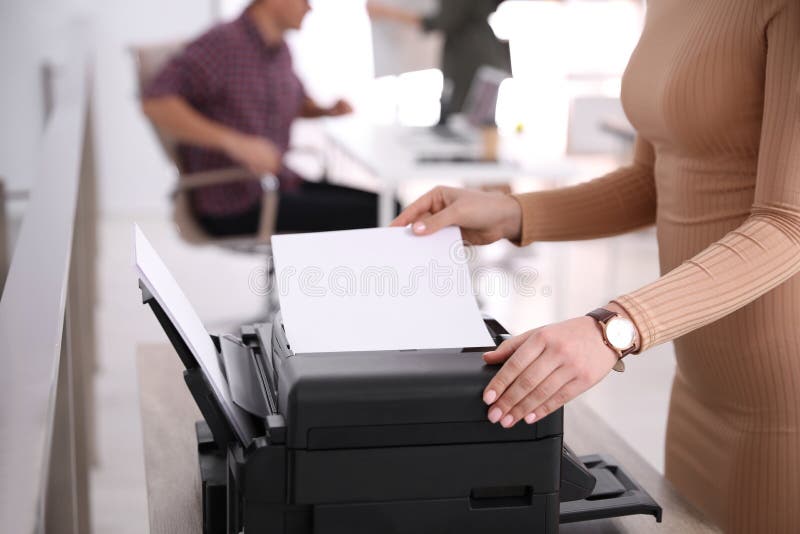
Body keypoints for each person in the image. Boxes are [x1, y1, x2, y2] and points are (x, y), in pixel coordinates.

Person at [392, 2, 800, 532]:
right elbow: (649, 183)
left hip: (781, 391)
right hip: (701, 375)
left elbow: (789, 222)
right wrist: (514, 212)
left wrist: (614, 328)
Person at [142, 0, 386, 236]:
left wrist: (325, 110)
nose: (310, 8)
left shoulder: (280, 50)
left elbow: (294, 104)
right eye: (304, 0)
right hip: (235, 201)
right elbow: (157, 102)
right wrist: (235, 143)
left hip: (280, 184)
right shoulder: (222, 43)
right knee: (385, 216)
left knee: (389, 205)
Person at [367, 0, 511, 117]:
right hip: (481, 55)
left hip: (471, 58)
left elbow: (438, 22)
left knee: (465, 123)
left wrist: (386, 12)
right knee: (469, 122)